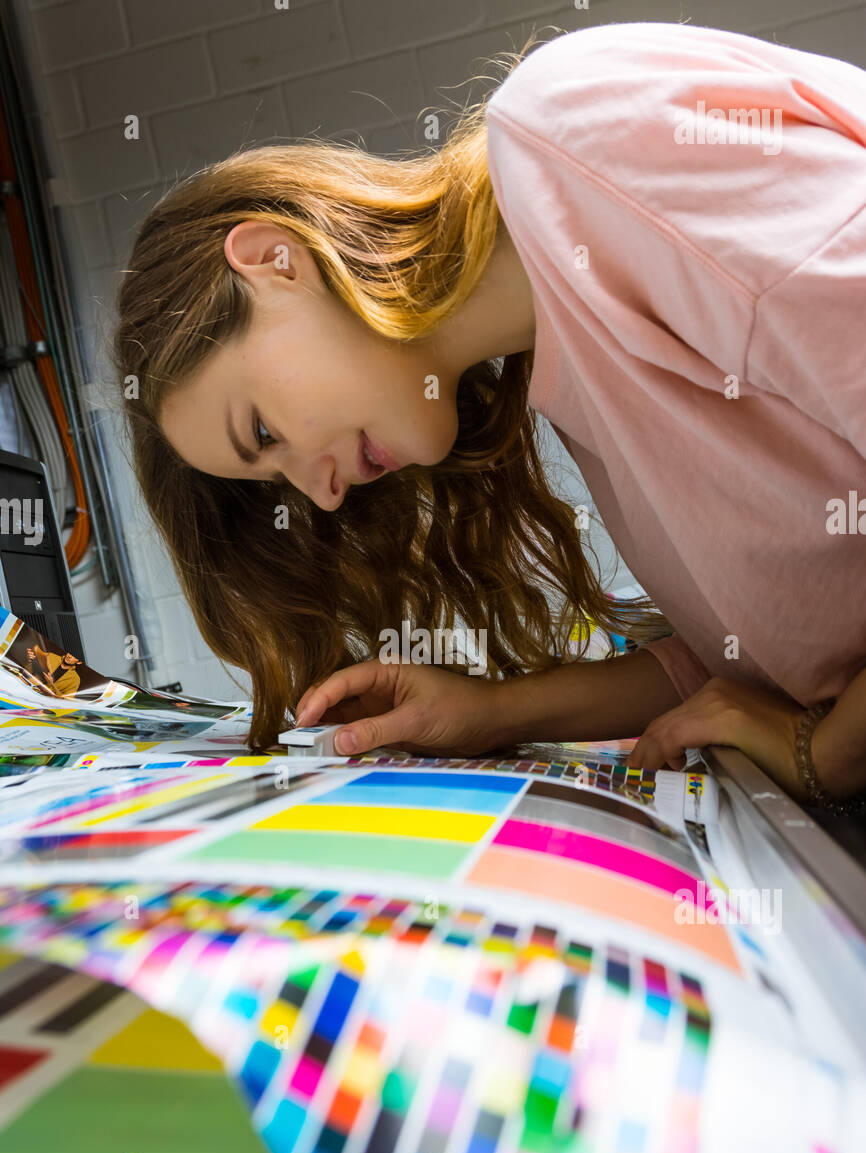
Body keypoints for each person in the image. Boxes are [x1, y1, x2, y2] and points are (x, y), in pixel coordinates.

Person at [114, 22, 866, 809]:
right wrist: (489, 714)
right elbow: (756, 662)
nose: (323, 494)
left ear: (276, 258)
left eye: (263, 433)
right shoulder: (561, 366)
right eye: (278, 483)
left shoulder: (572, 132)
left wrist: (832, 754)